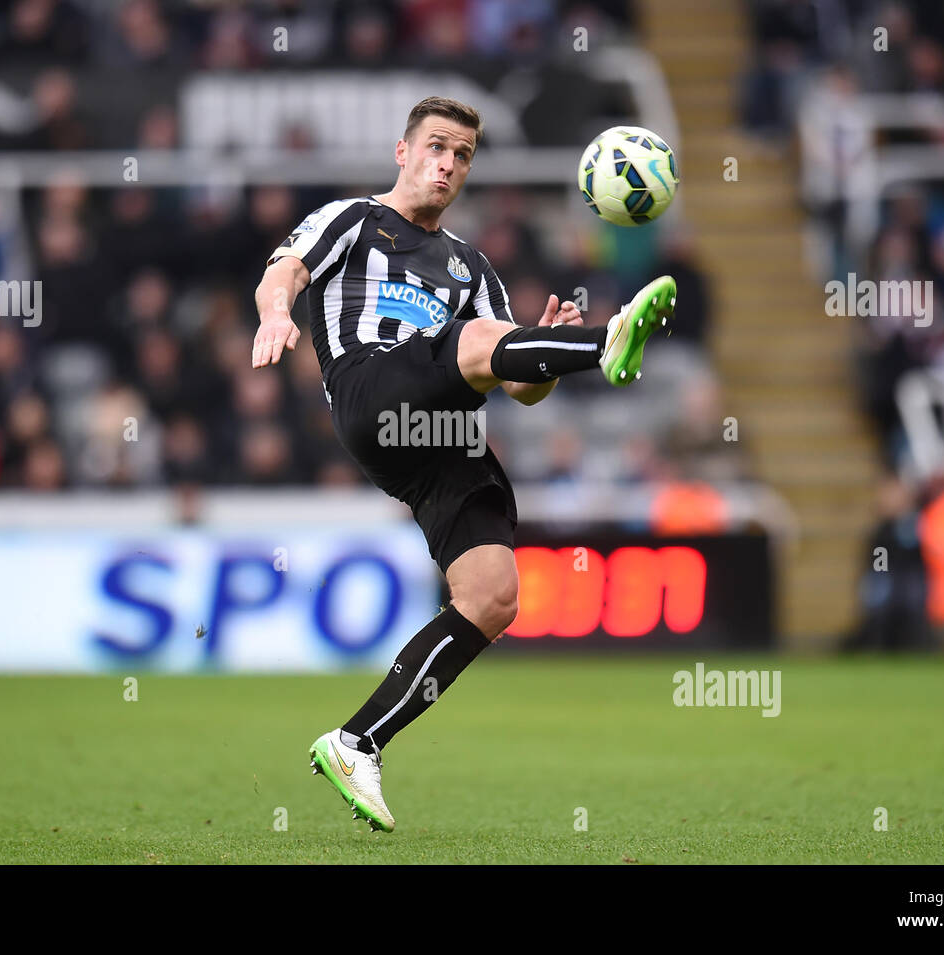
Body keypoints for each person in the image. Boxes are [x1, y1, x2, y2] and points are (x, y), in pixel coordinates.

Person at [251, 96, 675, 831]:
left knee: (493, 594)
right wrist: (276, 312)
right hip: (373, 390)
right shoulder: (352, 219)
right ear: (403, 151)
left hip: (443, 434)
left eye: (463, 155)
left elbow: (520, 388)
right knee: (477, 335)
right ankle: (606, 346)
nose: (447, 164)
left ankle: (358, 741)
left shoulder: (470, 265)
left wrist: (541, 347)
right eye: (436, 147)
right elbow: (282, 273)